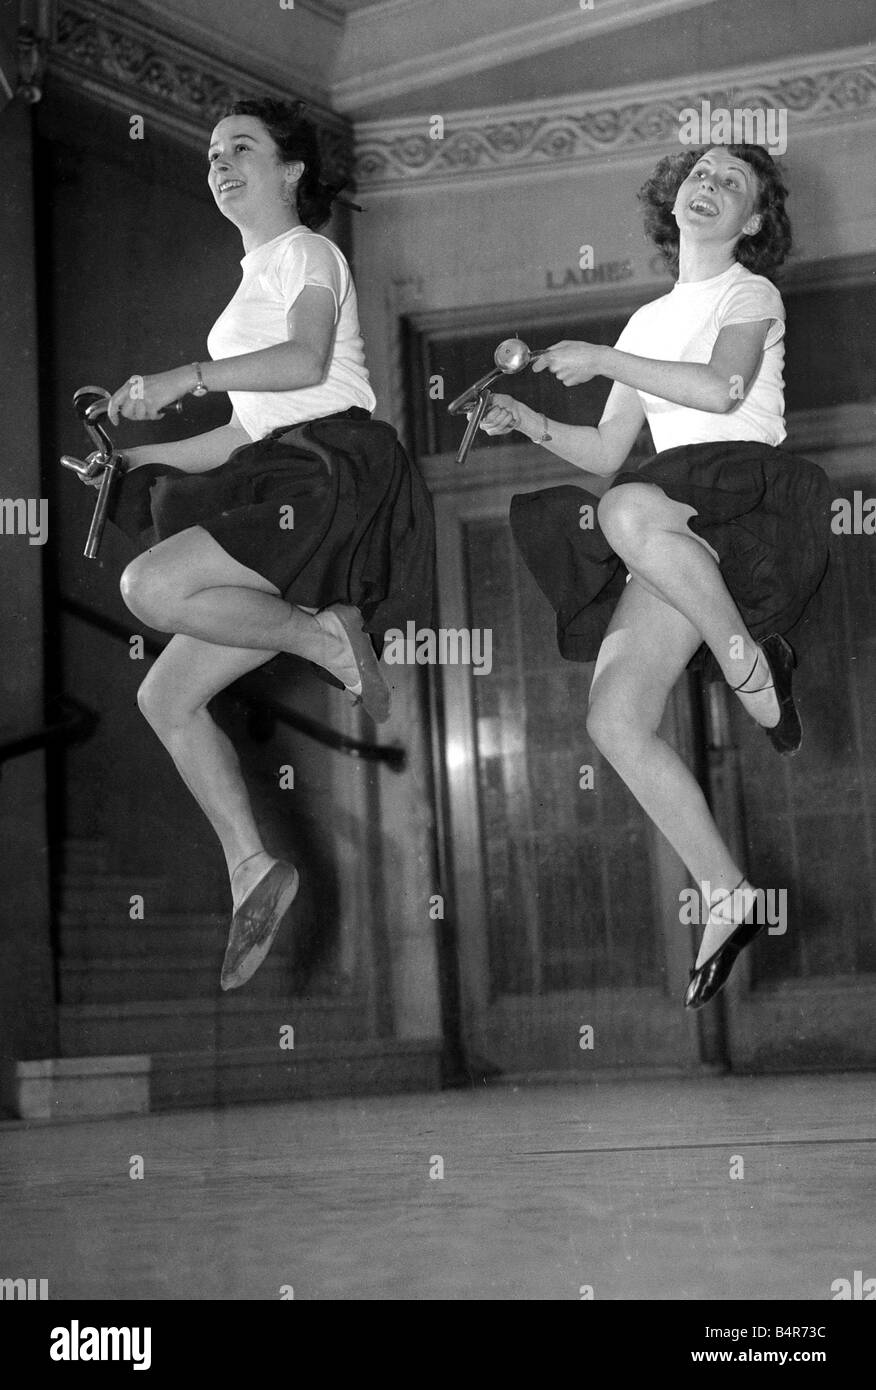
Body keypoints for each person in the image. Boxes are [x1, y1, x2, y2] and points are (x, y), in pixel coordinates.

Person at [82, 98, 434, 992]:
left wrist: (186, 376)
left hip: (330, 468)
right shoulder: (251, 282)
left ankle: (323, 638)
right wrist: (137, 459)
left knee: (150, 587)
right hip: (281, 465)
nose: (220, 164)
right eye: (211, 155)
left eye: (241, 148)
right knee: (165, 696)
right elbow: (244, 430)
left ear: (292, 171)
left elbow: (307, 363)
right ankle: (251, 866)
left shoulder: (309, 253)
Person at [477, 144, 830, 1009]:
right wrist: (526, 418)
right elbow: (606, 450)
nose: (709, 185)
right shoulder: (642, 322)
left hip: (743, 500)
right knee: (615, 719)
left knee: (627, 511)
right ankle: (726, 892)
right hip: (672, 521)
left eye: (732, 183)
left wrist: (602, 360)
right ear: (674, 198)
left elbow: (722, 390)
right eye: (700, 174)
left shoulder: (751, 293)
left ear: (754, 220)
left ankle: (750, 664)